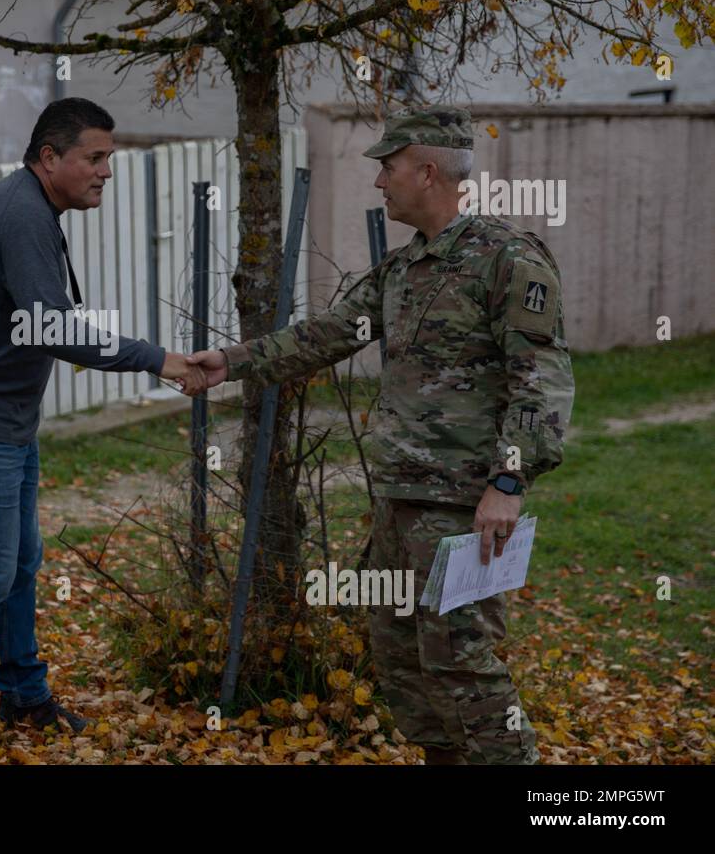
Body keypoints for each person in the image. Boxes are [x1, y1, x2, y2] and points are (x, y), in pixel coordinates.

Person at [187, 106, 574, 764]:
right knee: (404, 669)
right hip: (398, 503)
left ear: (426, 172)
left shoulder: (506, 259)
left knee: (464, 669)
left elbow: (542, 380)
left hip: (463, 507)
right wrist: (231, 363)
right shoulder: (404, 270)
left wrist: (508, 483)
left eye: (387, 168)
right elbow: (326, 334)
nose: (378, 183)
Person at [0, 97, 206, 736]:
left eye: (109, 159)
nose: (105, 172)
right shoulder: (22, 214)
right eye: (94, 158)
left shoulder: (30, 207)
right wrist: (159, 359)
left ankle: (24, 696)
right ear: (50, 157)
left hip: (7, 425)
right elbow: (54, 329)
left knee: (19, 564)